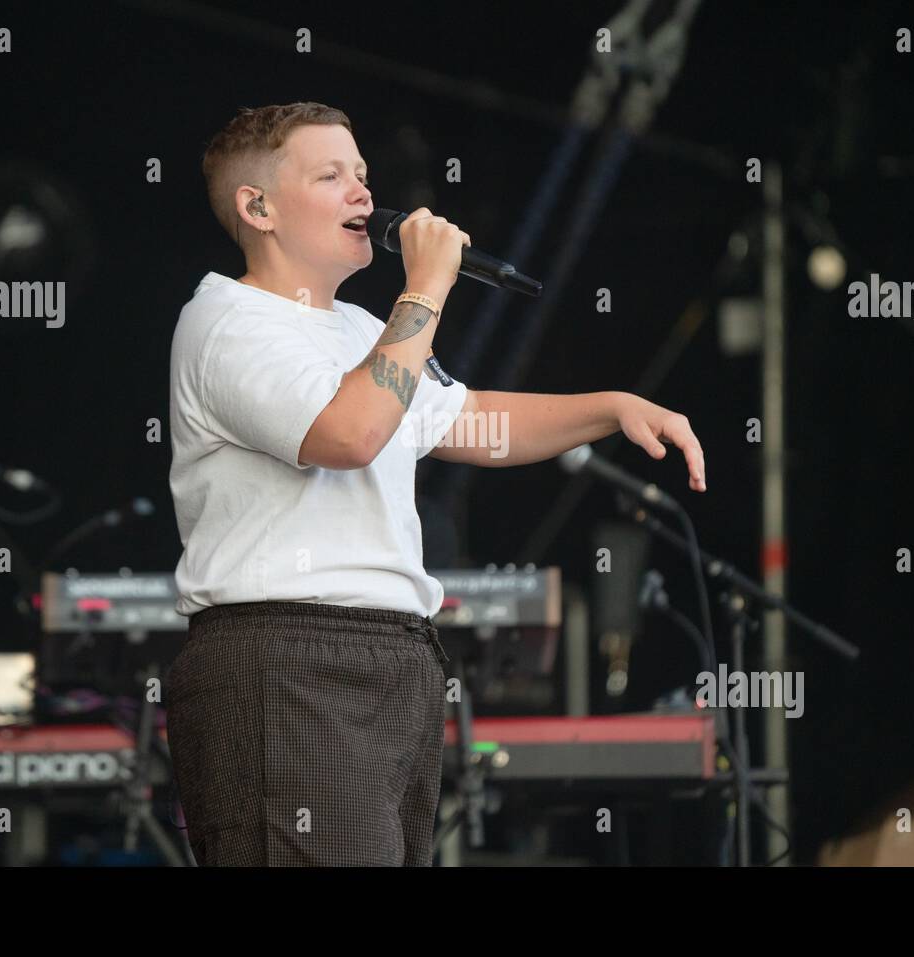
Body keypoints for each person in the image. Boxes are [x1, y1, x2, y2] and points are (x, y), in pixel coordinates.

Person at [165, 102, 707, 866]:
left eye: (362, 174)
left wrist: (611, 408)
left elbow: (470, 421)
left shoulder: (359, 328)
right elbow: (350, 434)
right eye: (331, 176)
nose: (363, 193)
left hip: (393, 654)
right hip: (286, 657)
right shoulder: (229, 320)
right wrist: (424, 287)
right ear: (259, 207)